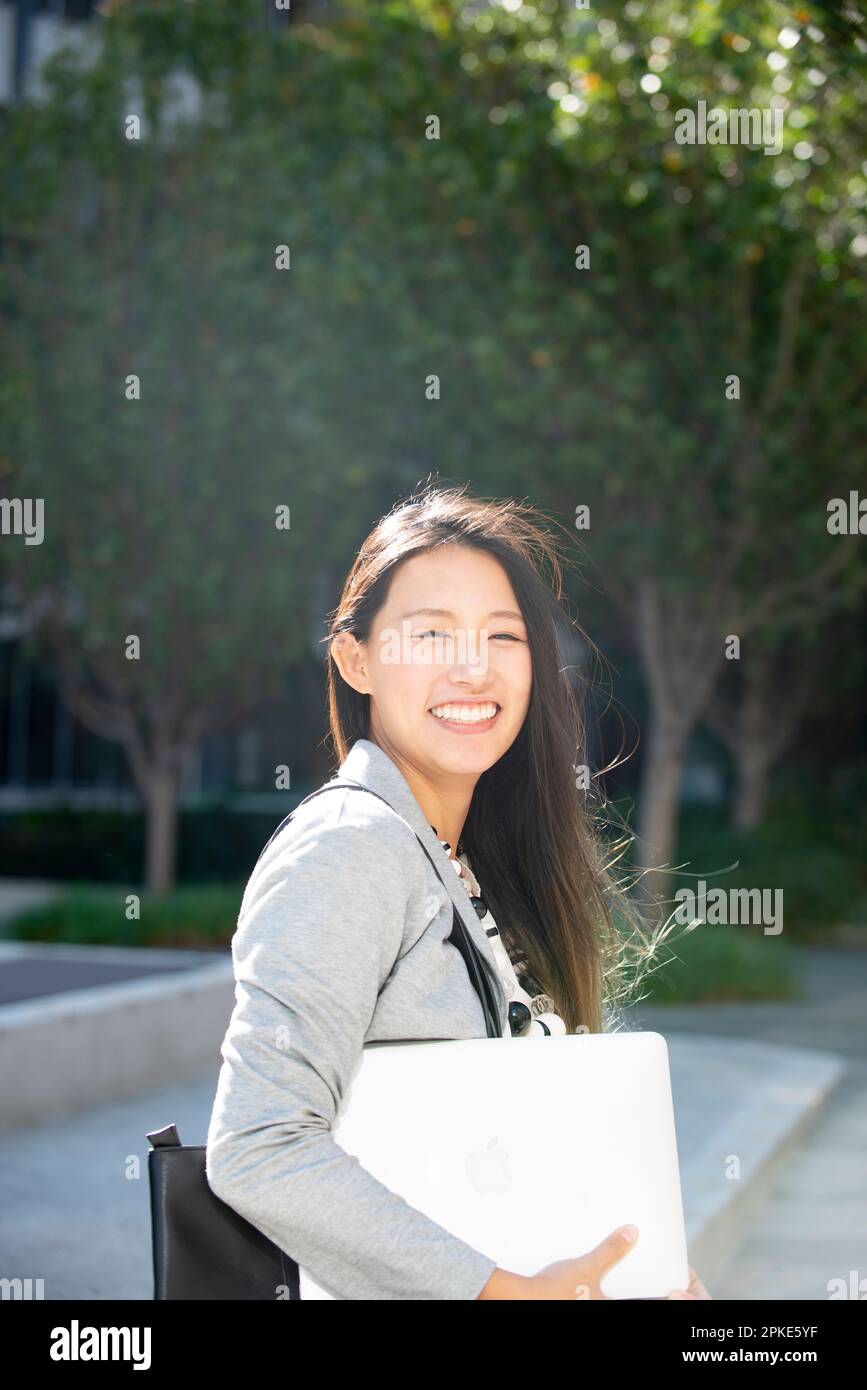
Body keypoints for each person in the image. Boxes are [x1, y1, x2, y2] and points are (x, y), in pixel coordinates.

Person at [205, 481, 711, 1300]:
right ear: (355, 659)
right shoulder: (348, 850)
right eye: (430, 634)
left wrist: (637, 1277)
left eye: (501, 635)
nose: (471, 666)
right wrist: (501, 1295)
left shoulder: (469, 859)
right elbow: (257, 1144)